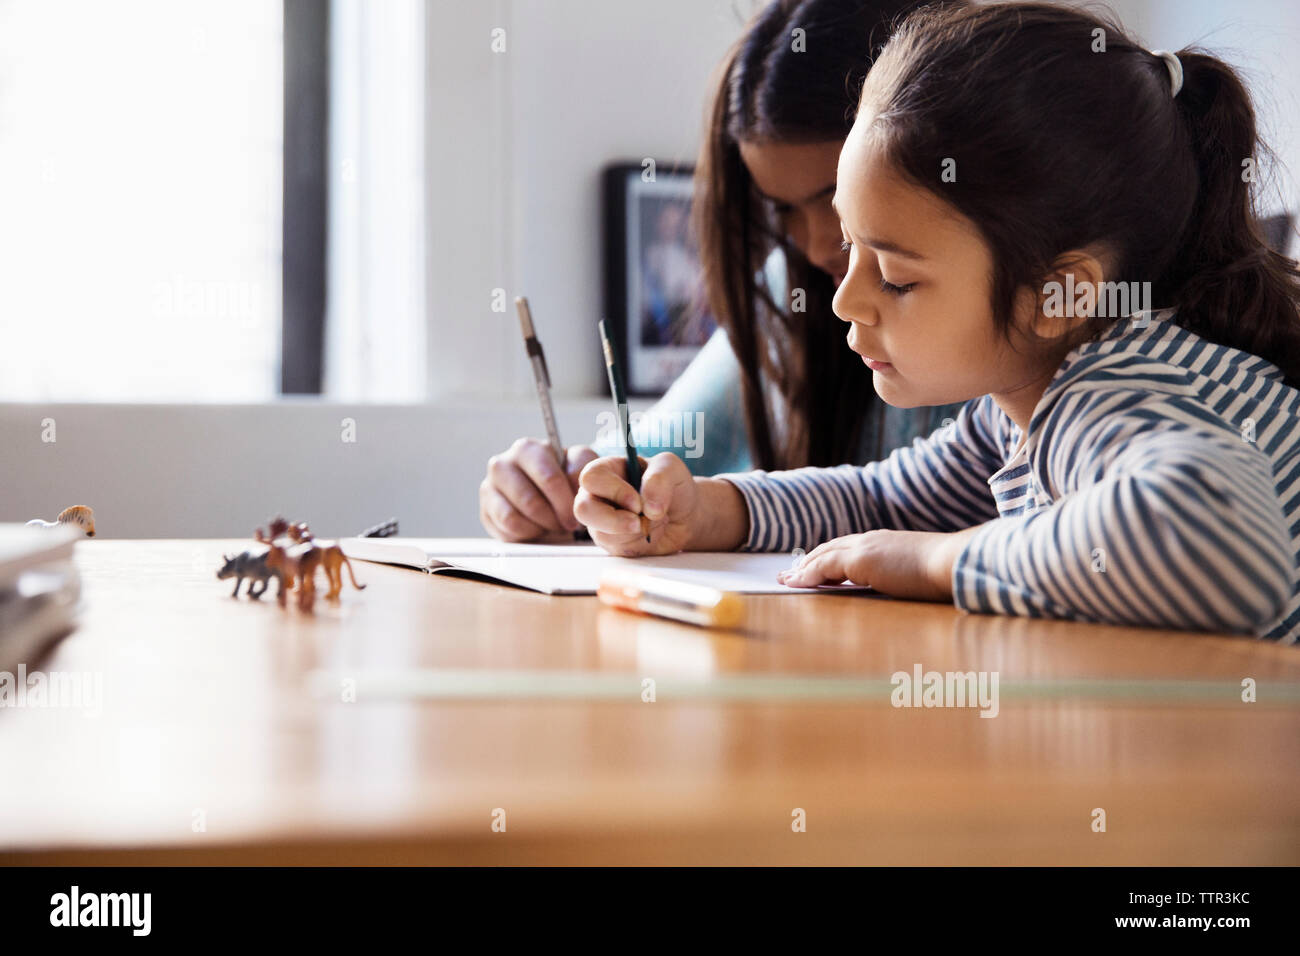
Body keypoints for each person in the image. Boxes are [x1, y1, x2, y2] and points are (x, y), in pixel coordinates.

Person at [575, 2, 1300, 642]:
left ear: (1058, 296)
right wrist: (708, 510)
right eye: (850, 247)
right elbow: (881, 498)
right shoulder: (1019, 408)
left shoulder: (1119, 392)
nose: (843, 301)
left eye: (895, 277)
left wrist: (935, 558)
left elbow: (1227, 541)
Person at [479, 0, 966, 543]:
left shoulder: (1049, 395)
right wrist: (573, 499)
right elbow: (874, 500)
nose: (816, 247)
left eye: (836, 199)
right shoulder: (793, 293)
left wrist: (936, 561)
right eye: (782, 210)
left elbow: (1062, 538)